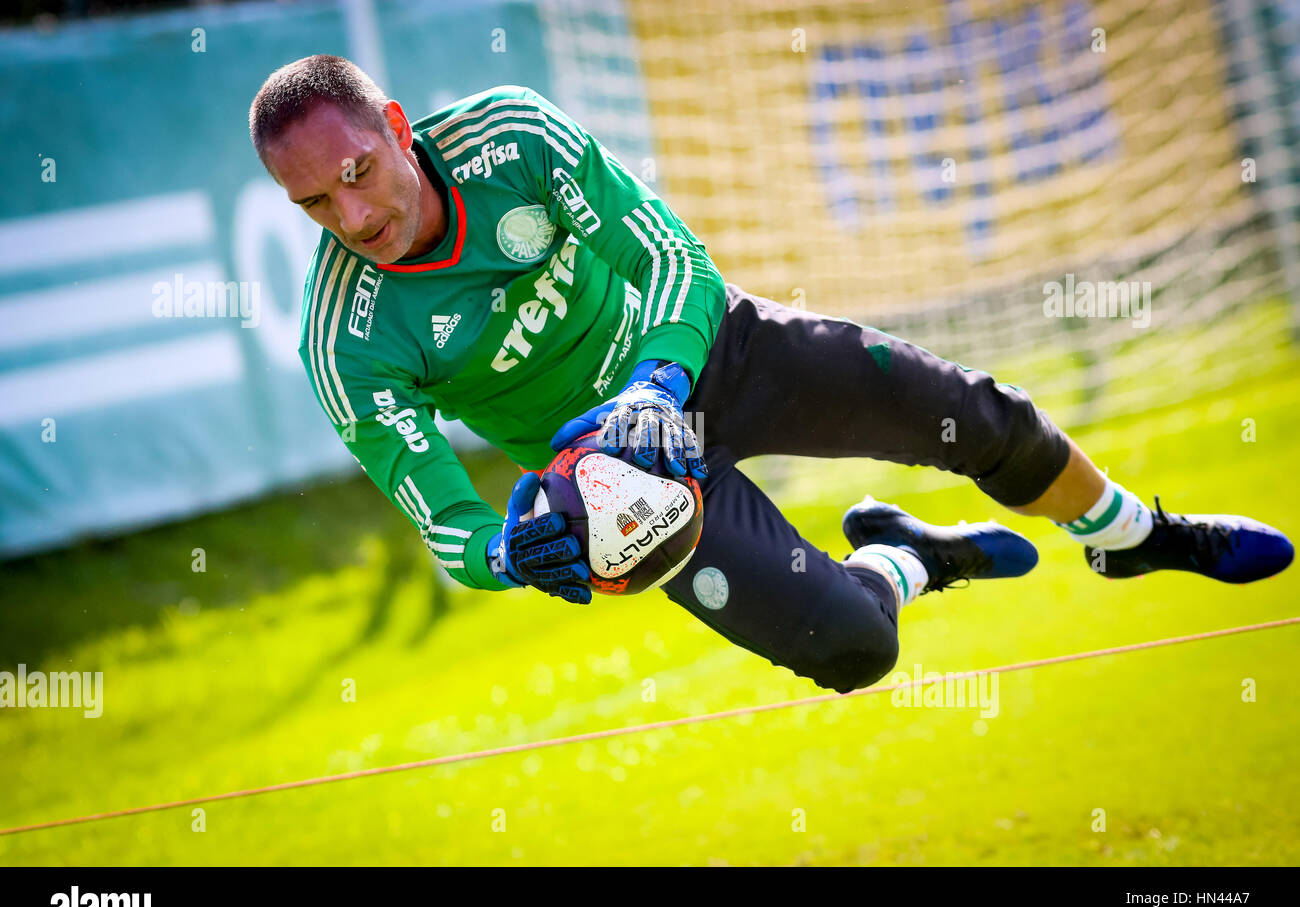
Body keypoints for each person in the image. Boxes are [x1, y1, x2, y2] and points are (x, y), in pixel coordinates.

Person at [248, 55, 1292, 694]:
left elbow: (672, 263)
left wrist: (656, 385)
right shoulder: (346, 341)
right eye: (316, 207)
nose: (356, 217)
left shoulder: (510, 138)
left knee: (984, 420)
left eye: (357, 174)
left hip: (711, 352)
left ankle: (1134, 538)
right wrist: (513, 552)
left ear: (395, 128)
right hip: (638, 484)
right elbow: (442, 523)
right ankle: (913, 560)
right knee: (852, 653)